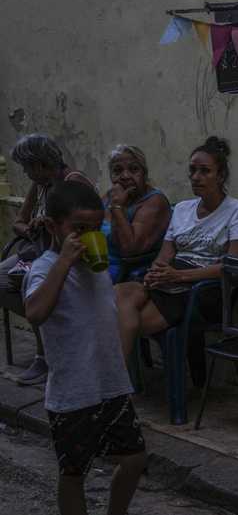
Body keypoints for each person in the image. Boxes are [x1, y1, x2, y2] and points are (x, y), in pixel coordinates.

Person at [23, 181, 146, 515]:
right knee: (74, 471)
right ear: (53, 227)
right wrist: (63, 262)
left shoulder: (98, 268)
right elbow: (35, 312)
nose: (89, 236)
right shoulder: (45, 269)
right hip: (73, 394)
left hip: (110, 385)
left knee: (134, 459)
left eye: (95, 228)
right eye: (79, 229)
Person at [115, 136, 238, 358]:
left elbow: (232, 266)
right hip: (171, 280)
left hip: (201, 288)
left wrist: (178, 276)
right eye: (192, 170)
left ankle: (119, 388)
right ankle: (122, 387)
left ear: (220, 175)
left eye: (205, 171)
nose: (196, 177)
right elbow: (164, 256)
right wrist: (155, 273)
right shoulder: (181, 209)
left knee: (126, 324)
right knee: (118, 295)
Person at [2, 134, 96, 386]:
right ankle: (50, 330)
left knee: (30, 285)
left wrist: (52, 227)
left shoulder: (72, 182)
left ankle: (45, 353)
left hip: (68, 253)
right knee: (2, 278)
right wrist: (33, 228)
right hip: (39, 248)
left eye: (26, 167)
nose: (25, 173)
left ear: (39, 165)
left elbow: (88, 226)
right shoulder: (41, 185)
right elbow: (18, 223)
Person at [101, 145, 172, 283]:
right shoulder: (110, 196)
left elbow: (129, 248)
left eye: (134, 169)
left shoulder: (155, 201)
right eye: (117, 171)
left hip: (130, 274)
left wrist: (117, 207)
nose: (125, 176)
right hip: (98, 267)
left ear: (144, 174)